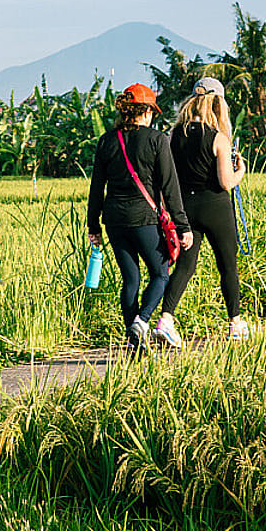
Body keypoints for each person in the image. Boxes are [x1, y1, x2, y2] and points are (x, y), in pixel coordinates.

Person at [87, 83, 192, 352]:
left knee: (130, 279)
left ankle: (134, 344)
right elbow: (170, 186)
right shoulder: (156, 139)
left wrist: (93, 225)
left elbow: (96, 186)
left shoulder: (107, 140)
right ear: (145, 111)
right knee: (160, 273)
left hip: (114, 220)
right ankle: (142, 321)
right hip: (144, 218)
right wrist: (182, 225)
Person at [160, 78, 249, 344]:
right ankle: (235, 322)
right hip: (216, 208)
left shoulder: (173, 136)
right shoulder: (219, 138)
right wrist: (240, 171)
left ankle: (166, 319)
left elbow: (167, 179)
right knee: (227, 266)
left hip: (184, 208)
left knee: (185, 267)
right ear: (217, 103)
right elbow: (226, 182)